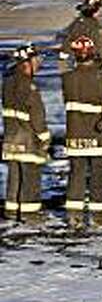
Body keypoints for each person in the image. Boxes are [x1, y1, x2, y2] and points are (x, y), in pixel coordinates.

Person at [61, 35, 102, 229]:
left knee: (76, 174)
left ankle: (73, 216)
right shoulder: (100, 76)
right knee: (98, 175)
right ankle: (98, 216)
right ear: (92, 53)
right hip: (97, 134)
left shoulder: (67, 78)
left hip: (75, 133)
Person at [2, 44, 49, 222]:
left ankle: (12, 211)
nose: (38, 64)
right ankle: (30, 215)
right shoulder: (29, 86)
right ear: (26, 63)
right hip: (28, 139)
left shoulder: (7, 82)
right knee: (31, 178)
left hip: (10, 137)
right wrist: (44, 138)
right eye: (36, 61)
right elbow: (37, 115)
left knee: (14, 177)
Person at [59, 0, 102, 74]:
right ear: (96, 11)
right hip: (92, 63)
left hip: (77, 62)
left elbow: (68, 42)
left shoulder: (76, 25)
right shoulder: (97, 29)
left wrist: (63, 60)